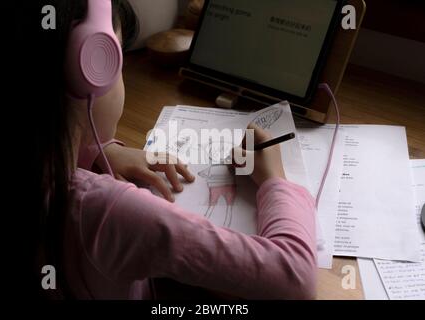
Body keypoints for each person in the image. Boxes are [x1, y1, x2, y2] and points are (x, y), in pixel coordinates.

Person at [16, 0, 317, 299]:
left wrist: (97, 151)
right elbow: (294, 279)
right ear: (90, 77)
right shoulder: (106, 212)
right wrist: (275, 181)